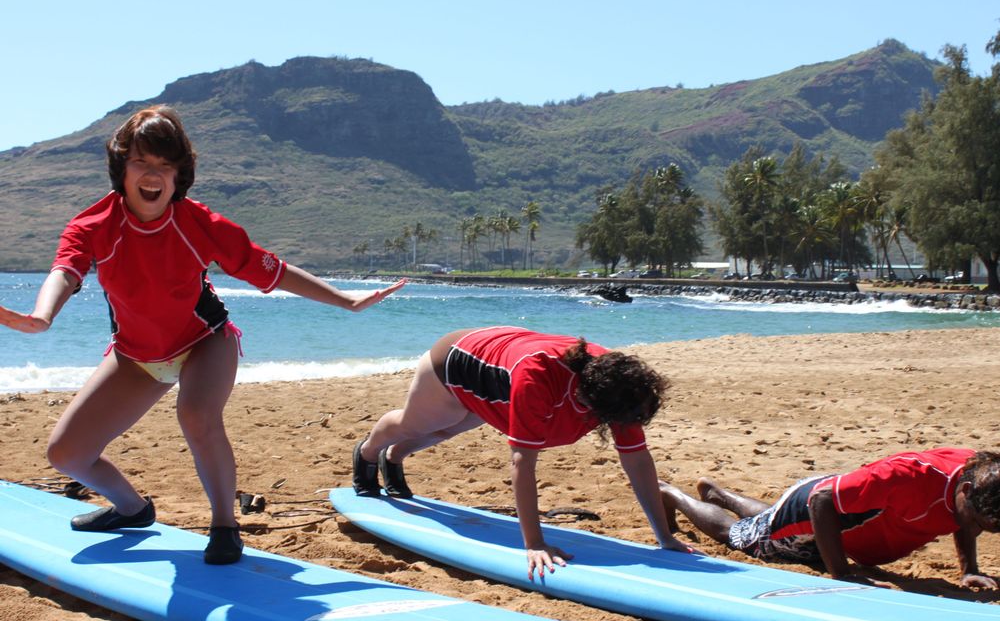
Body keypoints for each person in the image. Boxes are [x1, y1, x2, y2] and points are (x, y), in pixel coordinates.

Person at [0, 105, 404, 565]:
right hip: (136, 355)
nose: (153, 175)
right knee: (67, 453)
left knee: (195, 413)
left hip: (204, 341)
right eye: (141, 162)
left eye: (165, 166)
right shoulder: (93, 225)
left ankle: (225, 526)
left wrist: (346, 301)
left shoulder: (199, 224)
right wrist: (42, 315)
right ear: (121, 167)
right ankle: (133, 509)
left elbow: (271, 270)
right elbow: (66, 270)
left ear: (179, 176)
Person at [352, 325, 689, 579]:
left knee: (451, 427)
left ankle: (393, 458)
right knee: (421, 424)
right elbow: (522, 463)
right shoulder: (538, 379)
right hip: (456, 360)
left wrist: (665, 538)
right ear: (590, 402)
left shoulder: (622, 386)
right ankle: (368, 453)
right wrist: (534, 543)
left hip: (500, 364)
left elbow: (637, 460)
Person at [658, 447, 1000, 588]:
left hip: (837, 503)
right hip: (817, 506)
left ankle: (719, 494)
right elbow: (822, 500)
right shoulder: (909, 476)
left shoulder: (980, 470)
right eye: (973, 521)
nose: (970, 529)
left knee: (768, 524)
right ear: (965, 490)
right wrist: (844, 573)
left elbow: (969, 518)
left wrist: (969, 569)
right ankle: (671, 494)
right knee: (740, 536)